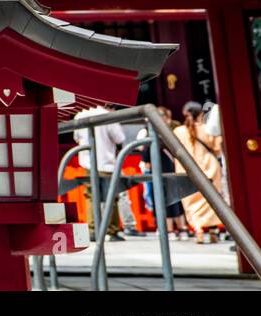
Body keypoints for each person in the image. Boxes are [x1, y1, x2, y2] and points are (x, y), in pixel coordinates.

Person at [77, 104, 137, 239]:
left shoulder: (80, 115)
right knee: (112, 197)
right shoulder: (108, 116)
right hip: (106, 162)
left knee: (92, 197)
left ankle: (93, 230)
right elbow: (119, 138)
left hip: (87, 163)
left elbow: (77, 138)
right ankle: (112, 230)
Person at [172, 101, 225, 243]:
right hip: (209, 168)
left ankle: (199, 231)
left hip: (187, 170)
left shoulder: (178, 131)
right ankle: (213, 232)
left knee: (191, 202)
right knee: (212, 200)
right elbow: (217, 148)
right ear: (201, 114)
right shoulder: (208, 129)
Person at [138, 107, 190, 240]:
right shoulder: (175, 132)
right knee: (176, 199)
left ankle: (169, 231)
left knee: (162, 200)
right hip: (175, 169)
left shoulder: (152, 134)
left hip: (159, 171)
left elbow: (146, 158)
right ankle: (182, 229)